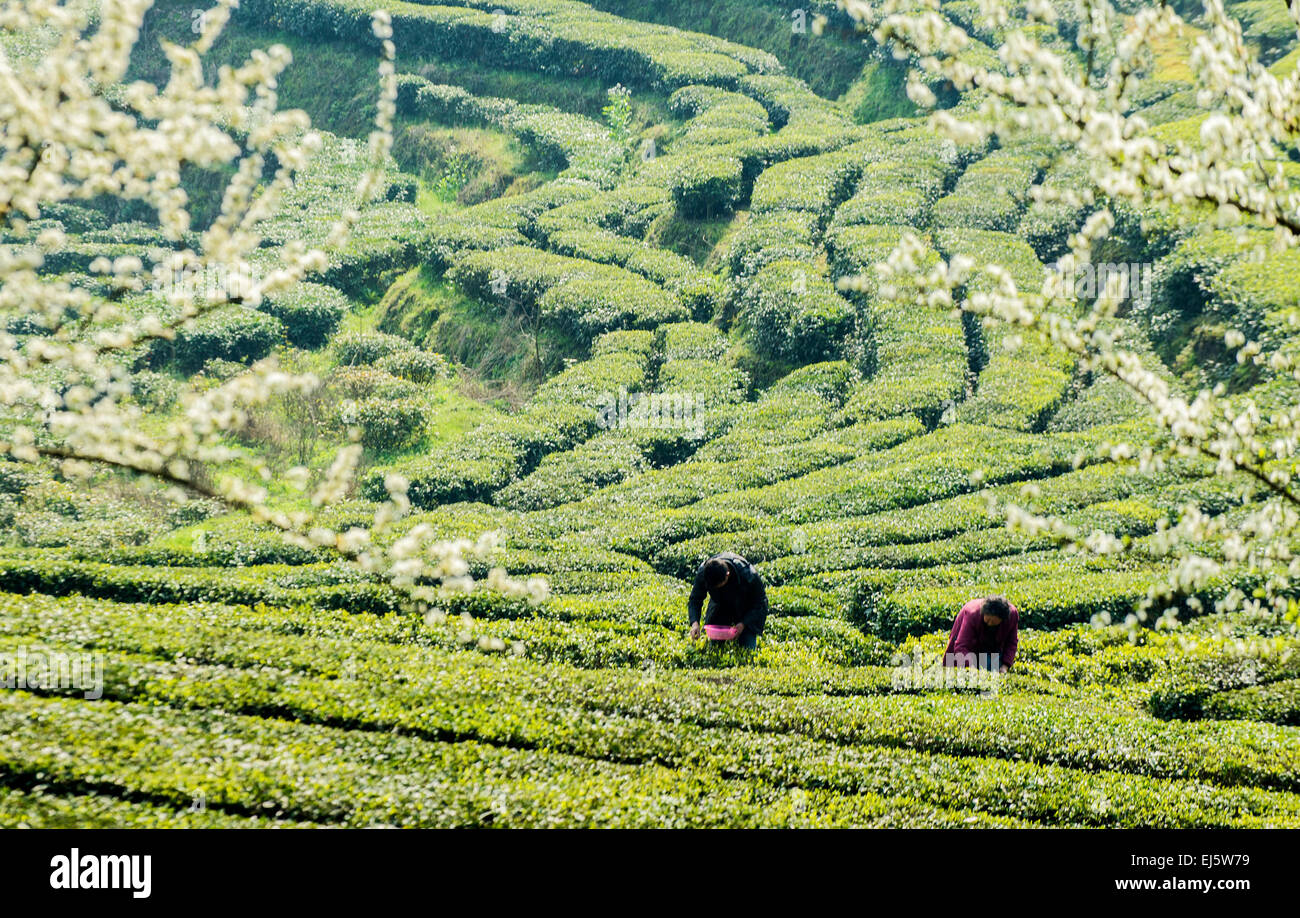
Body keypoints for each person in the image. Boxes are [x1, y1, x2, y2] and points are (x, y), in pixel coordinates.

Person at [687, 551, 768, 649]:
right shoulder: (704, 572)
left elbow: (760, 602)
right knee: (715, 646)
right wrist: (695, 623)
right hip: (720, 605)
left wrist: (743, 624)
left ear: (727, 575)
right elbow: (695, 599)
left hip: (746, 607)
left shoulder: (748, 574)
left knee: (747, 648)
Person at [943, 595, 1019, 673]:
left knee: (993, 669)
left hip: (993, 643)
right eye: (988, 620)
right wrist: (972, 668)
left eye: (993, 621)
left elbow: (1011, 642)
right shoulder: (972, 614)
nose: (990, 623)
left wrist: (1005, 666)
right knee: (955, 669)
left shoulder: (1012, 615)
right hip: (969, 633)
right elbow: (961, 646)